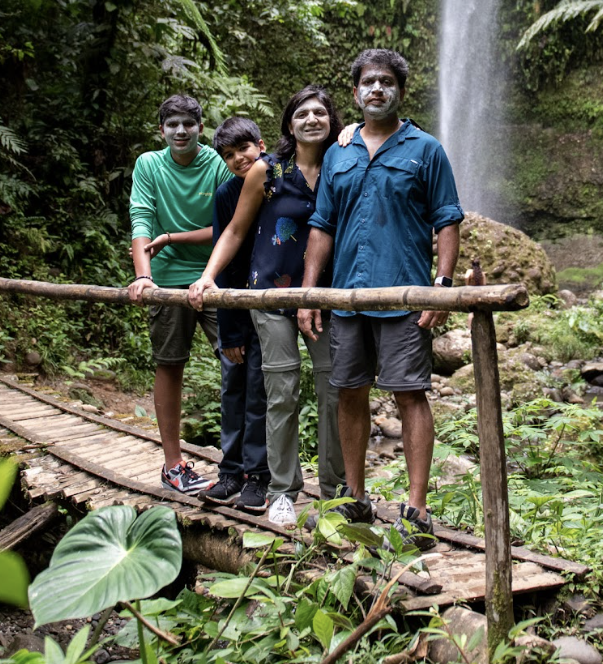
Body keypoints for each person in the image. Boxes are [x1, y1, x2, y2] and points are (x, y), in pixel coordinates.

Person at [298, 49, 463, 549]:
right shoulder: (338, 153)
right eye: (368, 82)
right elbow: (321, 225)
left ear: (400, 92)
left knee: (410, 394)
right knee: (349, 391)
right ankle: (355, 496)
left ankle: (416, 508)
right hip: (346, 296)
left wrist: (443, 285)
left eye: (386, 82)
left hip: (404, 296)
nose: (376, 89)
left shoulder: (426, 150)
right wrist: (310, 293)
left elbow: (448, 217)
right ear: (355, 93)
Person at [189, 85, 346, 526]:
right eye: (302, 114)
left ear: (332, 120)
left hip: (324, 298)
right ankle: (283, 490)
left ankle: (335, 493)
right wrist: (207, 277)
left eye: (321, 113)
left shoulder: (344, 164)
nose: (312, 120)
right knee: (280, 394)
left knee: (334, 392)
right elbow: (236, 231)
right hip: (270, 296)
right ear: (288, 124)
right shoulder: (268, 170)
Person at [129, 94, 233, 495]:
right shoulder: (149, 165)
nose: (180, 130)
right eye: (172, 124)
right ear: (161, 130)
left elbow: (227, 227)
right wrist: (144, 277)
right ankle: (173, 465)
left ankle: (238, 462)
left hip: (213, 277)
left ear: (200, 128)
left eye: (188, 123)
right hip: (167, 280)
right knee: (169, 364)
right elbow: (142, 218)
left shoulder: (217, 165)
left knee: (237, 360)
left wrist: (172, 237)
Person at [199, 117, 270, 513]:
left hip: (273, 302)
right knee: (233, 390)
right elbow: (224, 261)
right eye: (228, 155)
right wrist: (229, 331)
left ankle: (257, 478)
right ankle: (230, 472)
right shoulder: (227, 194)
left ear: (260, 145)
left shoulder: (280, 179)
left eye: (244, 148)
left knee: (260, 392)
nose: (239, 159)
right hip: (235, 304)